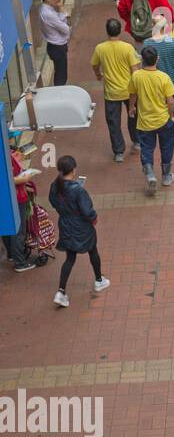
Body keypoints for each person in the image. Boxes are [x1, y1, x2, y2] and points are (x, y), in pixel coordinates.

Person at [49, 156, 109, 307]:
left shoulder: (54, 186)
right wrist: (93, 217)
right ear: (73, 169)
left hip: (65, 224)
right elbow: (87, 211)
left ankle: (61, 291)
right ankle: (99, 280)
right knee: (92, 250)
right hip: (81, 226)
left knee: (70, 258)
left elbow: (53, 201)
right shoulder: (78, 190)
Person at [91, 18, 142, 161]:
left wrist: (98, 75)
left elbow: (94, 65)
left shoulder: (100, 48)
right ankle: (137, 141)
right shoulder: (127, 48)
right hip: (129, 90)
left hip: (111, 92)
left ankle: (119, 151)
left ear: (107, 32)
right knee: (133, 115)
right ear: (120, 30)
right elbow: (135, 70)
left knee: (113, 122)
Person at [129, 44, 174, 195]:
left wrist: (131, 107)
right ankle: (166, 176)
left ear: (142, 60)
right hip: (163, 120)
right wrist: (170, 116)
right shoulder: (163, 77)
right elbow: (171, 101)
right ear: (157, 59)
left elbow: (132, 94)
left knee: (147, 148)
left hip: (144, 122)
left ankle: (150, 173)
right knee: (167, 147)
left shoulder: (136, 76)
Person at [145, 18, 174, 140]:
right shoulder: (173, 42)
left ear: (153, 26)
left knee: (160, 104)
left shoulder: (147, 44)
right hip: (173, 81)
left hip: (155, 82)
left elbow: (144, 63)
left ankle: (162, 126)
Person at [4, 139, 39, 273]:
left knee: (8, 228)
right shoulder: (6, 158)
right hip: (16, 198)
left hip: (8, 198)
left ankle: (12, 255)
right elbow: (10, 178)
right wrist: (24, 179)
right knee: (19, 230)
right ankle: (20, 262)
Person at [38, 0, 71, 87]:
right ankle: (59, 94)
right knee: (61, 77)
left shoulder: (48, 9)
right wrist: (67, 24)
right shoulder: (48, 13)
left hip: (56, 46)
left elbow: (63, 22)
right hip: (57, 47)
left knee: (61, 74)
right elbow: (66, 28)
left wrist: (60, 7)